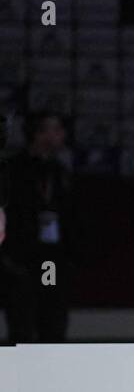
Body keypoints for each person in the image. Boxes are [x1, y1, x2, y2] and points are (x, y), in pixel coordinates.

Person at [0, 111, 77, 343]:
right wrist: (9, 259)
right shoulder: (13, 171)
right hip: (21, 261)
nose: (60, 135)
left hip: (51, 260)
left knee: (52, 321)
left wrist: (70, 257)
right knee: (22, 325)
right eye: (53, 129)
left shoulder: (60, 172)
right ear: (37, 133)